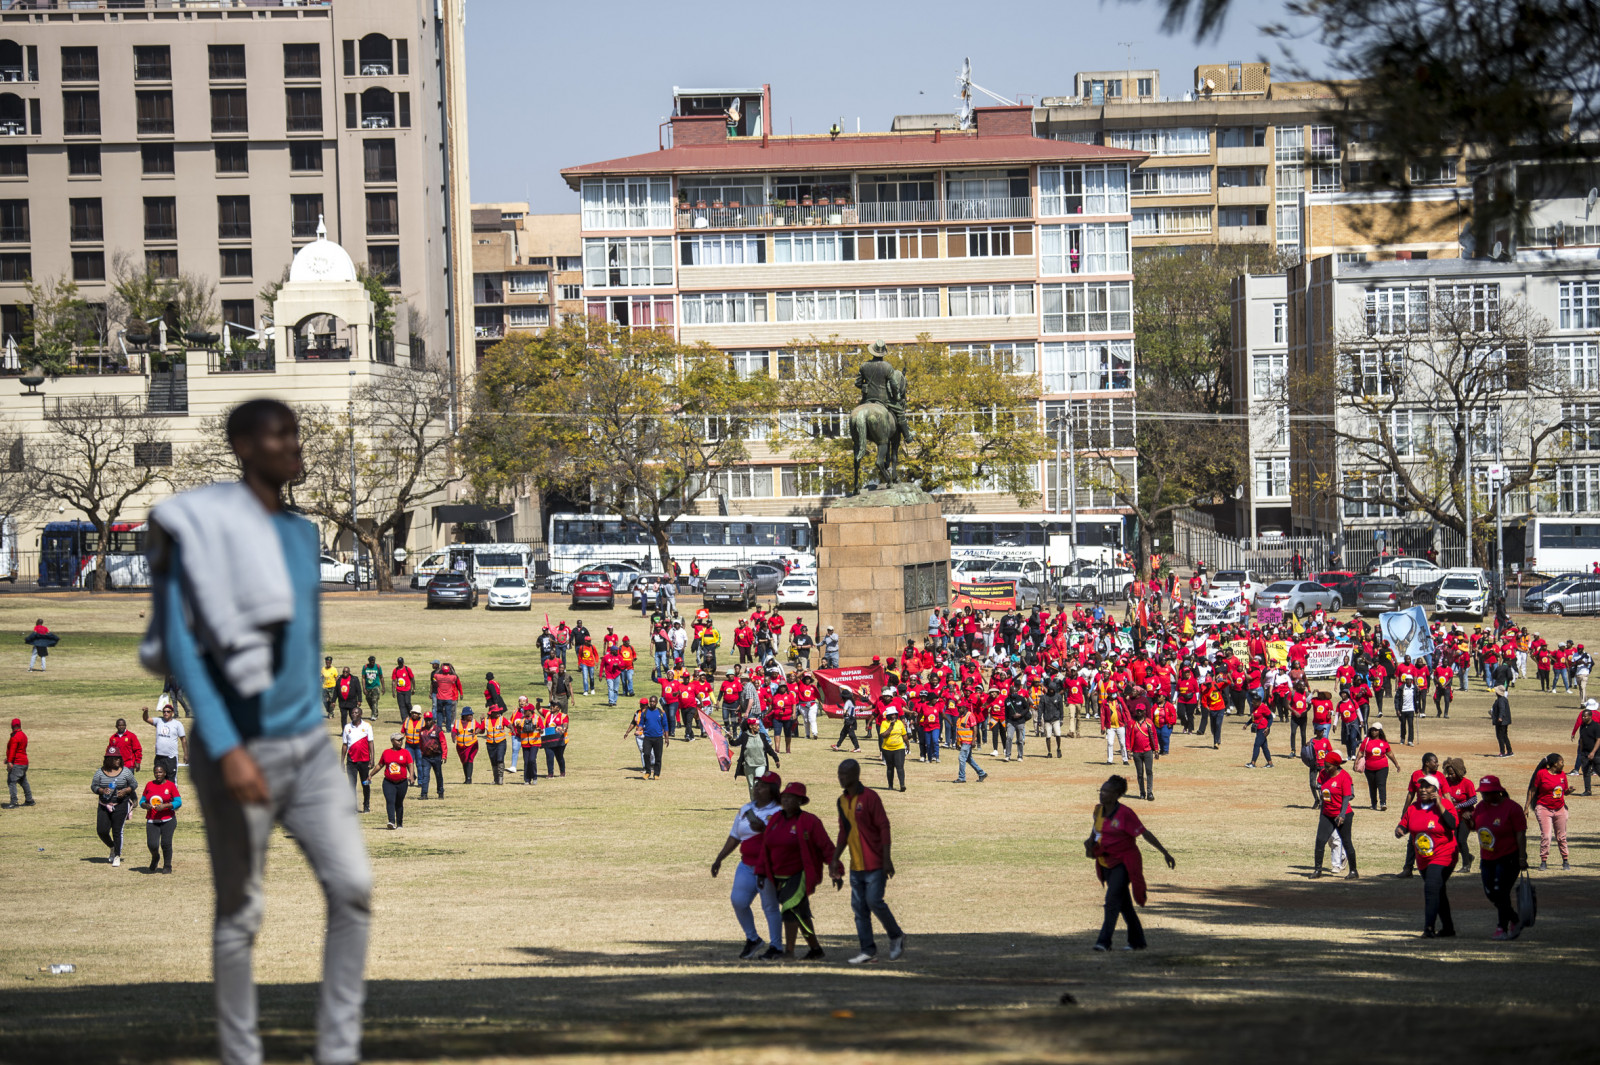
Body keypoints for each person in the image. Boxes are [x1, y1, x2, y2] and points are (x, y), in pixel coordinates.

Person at [142, 398, 371, 1065]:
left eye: (296, 434)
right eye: (280, 437)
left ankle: (338, 1050)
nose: (295, 447)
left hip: (309, 747)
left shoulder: (301, 536)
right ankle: (241, 1055)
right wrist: (226, 744)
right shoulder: (205, 532)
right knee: (240, 913)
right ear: (244, 446)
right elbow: (182, 646)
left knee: (353, 887)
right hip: (237, 750)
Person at [1087, 775, 1176, 951]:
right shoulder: (1098, 811)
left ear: (1117, 795)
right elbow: (1095, 832)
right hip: (1106, 862)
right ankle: (1137, 941)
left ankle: (1103, 942)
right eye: (1101, 790)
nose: (1102, 794)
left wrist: (1165, 852)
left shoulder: (1125, 813)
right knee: (1124, 904)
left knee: (1112, 901)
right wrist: (1090, 845)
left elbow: (1144, 833)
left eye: (1106, 791)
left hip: (1124, 863)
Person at [831, 759, 906, 965]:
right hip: (856, 865)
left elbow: (884, 826)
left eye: (844, 774)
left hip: (875, 863)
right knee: (859, 908)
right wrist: (835, 858)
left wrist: (887, 858)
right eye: (839, 773)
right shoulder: (842, 801)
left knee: (873, 901)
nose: (840, 777)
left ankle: (896, 935)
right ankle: (867, 950)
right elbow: (844, 831)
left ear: (856, 775)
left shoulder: (870, 797)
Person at [709, 772, 784, 961]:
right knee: (738, 901)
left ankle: (776, 947)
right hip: (746, 865)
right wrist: (719, 858)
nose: (757, 788)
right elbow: (734, 836)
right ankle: (753, 939)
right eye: (757, 784)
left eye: (763, 786)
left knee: (770, 907)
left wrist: (764, 830)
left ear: (773, 790)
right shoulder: (745, 809)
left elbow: (781, 840)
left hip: (767, 866)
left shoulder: (779, 812)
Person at [760, 782, 836, 960]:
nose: (786, 801)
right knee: (801, 913)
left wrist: (836, 869)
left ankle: (789, 952)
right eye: (784, 797)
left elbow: (826, 846)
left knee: (789, 909)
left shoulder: (810, 821)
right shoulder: (775, 819)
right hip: (778, 876)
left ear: (800, 801)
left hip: (799, 874)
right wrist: (761, 871)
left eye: (791, 798)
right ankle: (816, 950)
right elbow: (765, 846)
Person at [1395, 773, 1459, 937]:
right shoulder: (1413, 808)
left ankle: (1428, 928)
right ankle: (1448, 929)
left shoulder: (1445, 804)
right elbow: (1404, 825)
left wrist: (1439, 804)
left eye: (1427, 787)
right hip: (1423, 858)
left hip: (1444, 855)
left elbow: (1453, 824)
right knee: (1438, 891)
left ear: (1435, 790)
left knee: (1431, 888)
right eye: (1421, 786)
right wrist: (1400, 830)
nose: (1422, 789)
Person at [1474, 774, 1528, 939]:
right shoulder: (1481, 807)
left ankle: (1501, 928)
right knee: (1490, 892)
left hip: (1508, 857)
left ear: (1497, 792)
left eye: (1487, 793)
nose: (1483, 795)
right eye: (1482, 792)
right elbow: (1475, 826)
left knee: (1501, 891)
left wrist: (1522, 857)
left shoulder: (1513, 808)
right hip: (1487, 858)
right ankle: (1515, 919)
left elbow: (1520, 834)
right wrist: (1467, 820)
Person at [1312, 751, 1358, 879]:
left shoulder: (1344, 777)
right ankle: (1318, 870)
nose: (1325, 768)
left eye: (1328, 766)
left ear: (1336, 765)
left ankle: (1353, 871)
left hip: (1342, 814)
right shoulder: (1323, 773)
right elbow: (1321, 787)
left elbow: (1346, 797)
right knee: (1320, 841)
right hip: (1327, 813)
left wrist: (1342, 815)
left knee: (1346, 842)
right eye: (1325, 765)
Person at [91, 746, 137, 867]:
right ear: (108, 760)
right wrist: (102, 790)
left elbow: (134, 784)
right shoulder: (100, 772)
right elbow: (94, 786)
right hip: (104, 805)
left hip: (121, 804)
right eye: (114, 758)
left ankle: (117, 855)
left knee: (117, 830)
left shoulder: (125, 772)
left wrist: (126, 791)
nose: (117, 760)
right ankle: (112, 846)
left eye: (118, 758)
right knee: (101, 830)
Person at [1525, 753, 1571, 870]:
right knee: (1546, 836)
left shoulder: (1562, 775)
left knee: (1561, 837)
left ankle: (1565, 860)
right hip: (1544, 808)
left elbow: (1564, 791)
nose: (1563, 764)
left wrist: (1569, 791)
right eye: (1561, 762)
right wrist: (1526, 807)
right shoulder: (1541, 774)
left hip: (1560, 809)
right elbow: (1532, 790)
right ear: (1555, 764)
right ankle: (1543, 861)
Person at [140, 760, 183, 873]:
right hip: (152, 820)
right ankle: (155, 857)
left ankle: (167, 865)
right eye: (156, 772)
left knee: (166, 843)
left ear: (165, 773)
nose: (158, 774)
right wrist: (145, 805)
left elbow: (178, 802)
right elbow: (142, 801)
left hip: (168, 820)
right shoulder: (149, 785)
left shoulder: (170, 785)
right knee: (152, 845)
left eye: (160, 772)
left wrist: (166, 806)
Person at [141, 702, 189, 781]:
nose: (166, 713)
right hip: (159, 756)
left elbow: (183, 739)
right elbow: (146, 719)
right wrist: (146, 712)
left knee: (171, 780)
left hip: (171, 757)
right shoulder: (159, 721)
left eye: (168, 711)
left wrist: (186, 754)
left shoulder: (177, 724)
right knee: (159, 780)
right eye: (164, 711)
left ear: (172, 712)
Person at [340, 706, 374, 813]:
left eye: (356, 713)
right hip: (351, 761)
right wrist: (342, 761)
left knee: (365, 784)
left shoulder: (367, 726)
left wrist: (372, 758)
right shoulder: (347, 727)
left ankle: (366, 805)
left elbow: (370, 743)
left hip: (364, 760)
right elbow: (345, 745)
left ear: (360, 714)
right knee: (352, 784)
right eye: (352, 713)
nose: (353, 714)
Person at [1358, 724, 1400, 810]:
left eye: (1376, 730)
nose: (1374, 732)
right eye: (1372, 730)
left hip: (1382, 767)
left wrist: (1396, 764)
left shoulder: (1383, 742)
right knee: (1372, 786)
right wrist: (1356, 762)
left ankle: (1383, 803)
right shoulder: (1366, 741)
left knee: (1381, 785)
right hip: (1369, 768)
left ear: (1380, 731)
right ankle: (1373, 804)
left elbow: (1390, 753)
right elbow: (1361, 752)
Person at [377, 733, 415, 829]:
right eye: (398, 740)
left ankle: (399, 823)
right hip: (388, 782)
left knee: (399, 803)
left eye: (401, 740)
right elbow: (380, 765)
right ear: (392, 741)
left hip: (402, 782)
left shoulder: (405, 752)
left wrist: (411, 776)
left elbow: (410, 764)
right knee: (390, 801)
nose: (400, 742)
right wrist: (370, 775)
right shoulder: (386, 752)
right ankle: (391, 821)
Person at [415, 711, 447, 799]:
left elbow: (443, 742)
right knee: (425, 775)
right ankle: (424, 794)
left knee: (438, 775)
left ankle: (440, 792)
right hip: (426, 757)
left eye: (429, 720)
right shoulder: (422, 731)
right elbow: (420, 743)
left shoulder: (438, 730)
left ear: (432, 720)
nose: (428, 721)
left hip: (436, 756)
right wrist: (422, 752)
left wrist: (444, 755)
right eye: (426, 720)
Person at [878, 708, 909, 792]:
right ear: (888, 716)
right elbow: (883, 735)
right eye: (892, 714)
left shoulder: (900, 723)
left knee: (900, 766)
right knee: (890, 767)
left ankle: (902, 785)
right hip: (887, 749)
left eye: (895, 714)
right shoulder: (884, 723)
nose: (894, 716)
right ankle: (890, 785)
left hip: (899, 748)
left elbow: (904, 735)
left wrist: (908, 745)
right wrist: (891, 726)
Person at [3, 717, 32, 808]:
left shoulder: (15, 737)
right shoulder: (23, 735)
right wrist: (8, 759)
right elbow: (19, 750)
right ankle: (29, 800)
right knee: (23, 781)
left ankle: (14, 802)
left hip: (17, 763)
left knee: (11, 781)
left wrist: (9, 762)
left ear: (12, 726)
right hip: (24, 762)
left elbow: (13, 750)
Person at [542, 702, 569, 778]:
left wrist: (564, 729)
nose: (552, 707)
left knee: (559, 756)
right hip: (548, 738)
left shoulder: (563, 716)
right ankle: (550, 773)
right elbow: (539, 709)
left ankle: (562, 771)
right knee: (549, 755)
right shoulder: (548, 714)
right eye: (551, 706)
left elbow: (565, 724)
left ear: (558, 708)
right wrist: (538, 703)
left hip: (559, 739)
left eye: (554, 706)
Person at [454, 708, 480, 784]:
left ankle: (469, 779)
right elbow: (454, 731)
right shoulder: (457, 722)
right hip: (460, 746)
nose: (471, 716)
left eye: (471, 714)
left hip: (472, 745)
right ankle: (467, 778)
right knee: (464, 761)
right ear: (464, 716)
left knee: (469, 759)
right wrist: (453, 736)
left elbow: (481, 730)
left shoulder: (474, 722)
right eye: (469, 715)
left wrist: (479, 728)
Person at [1490, 685, 1513, 757]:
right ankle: (1509, 751)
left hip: (1501, 722)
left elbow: (1502, 709)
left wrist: (1500, 717)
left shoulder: (1500, 700)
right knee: (1505, 736)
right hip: (1505, 721)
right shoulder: (1504, 699)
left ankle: (1502, 752)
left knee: (1500, 736)